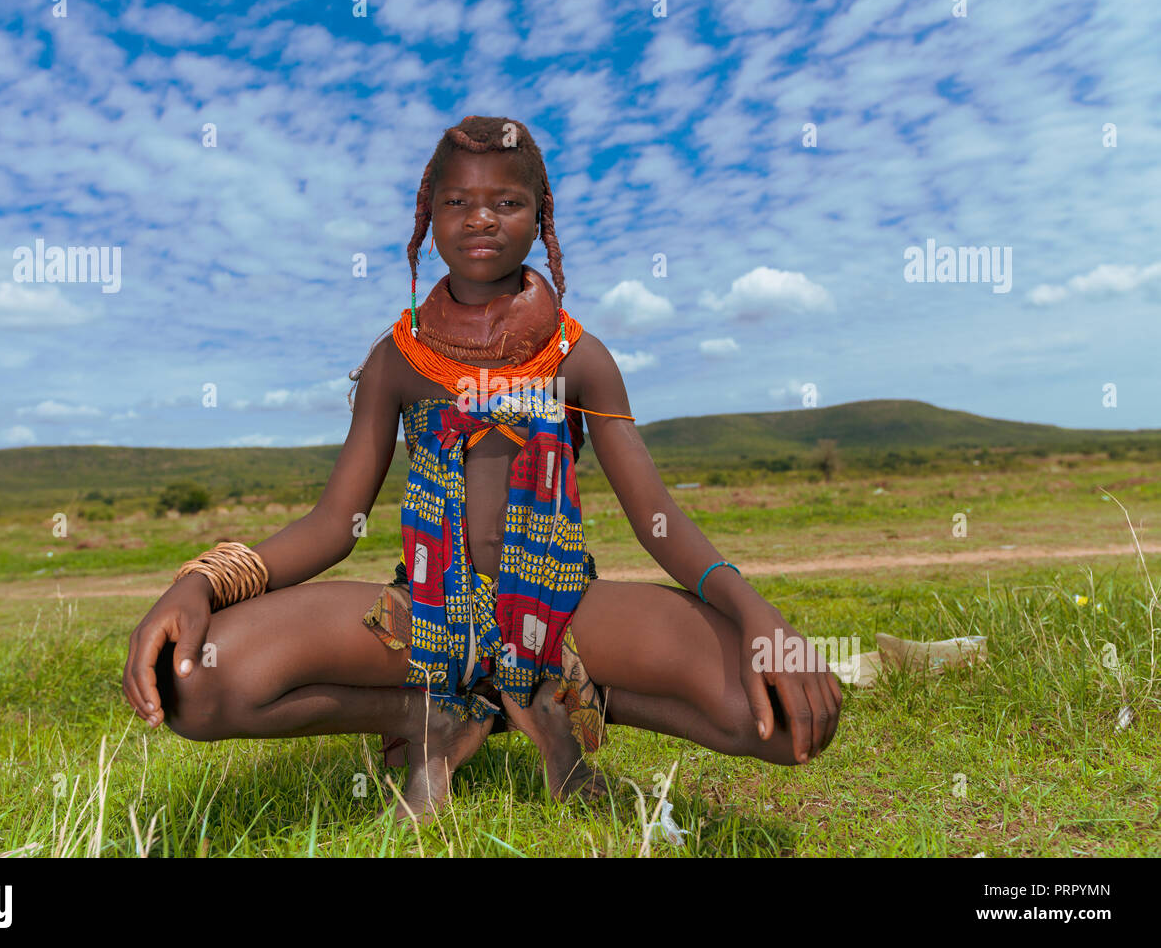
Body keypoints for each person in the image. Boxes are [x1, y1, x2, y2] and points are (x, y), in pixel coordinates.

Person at [122, 115, 841, 823]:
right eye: (457, 202)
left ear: (541, 216)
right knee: (192, 681)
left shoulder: (580, 359)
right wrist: (203, 581)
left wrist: (756, 616)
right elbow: (332, 525)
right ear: (426, 216)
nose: (480, 219)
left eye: (507, 201)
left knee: (782, 715)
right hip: (424, 618)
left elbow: (658, 520)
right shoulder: (395, 362)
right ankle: (428, 714)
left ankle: (551, 698)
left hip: (560, 610)